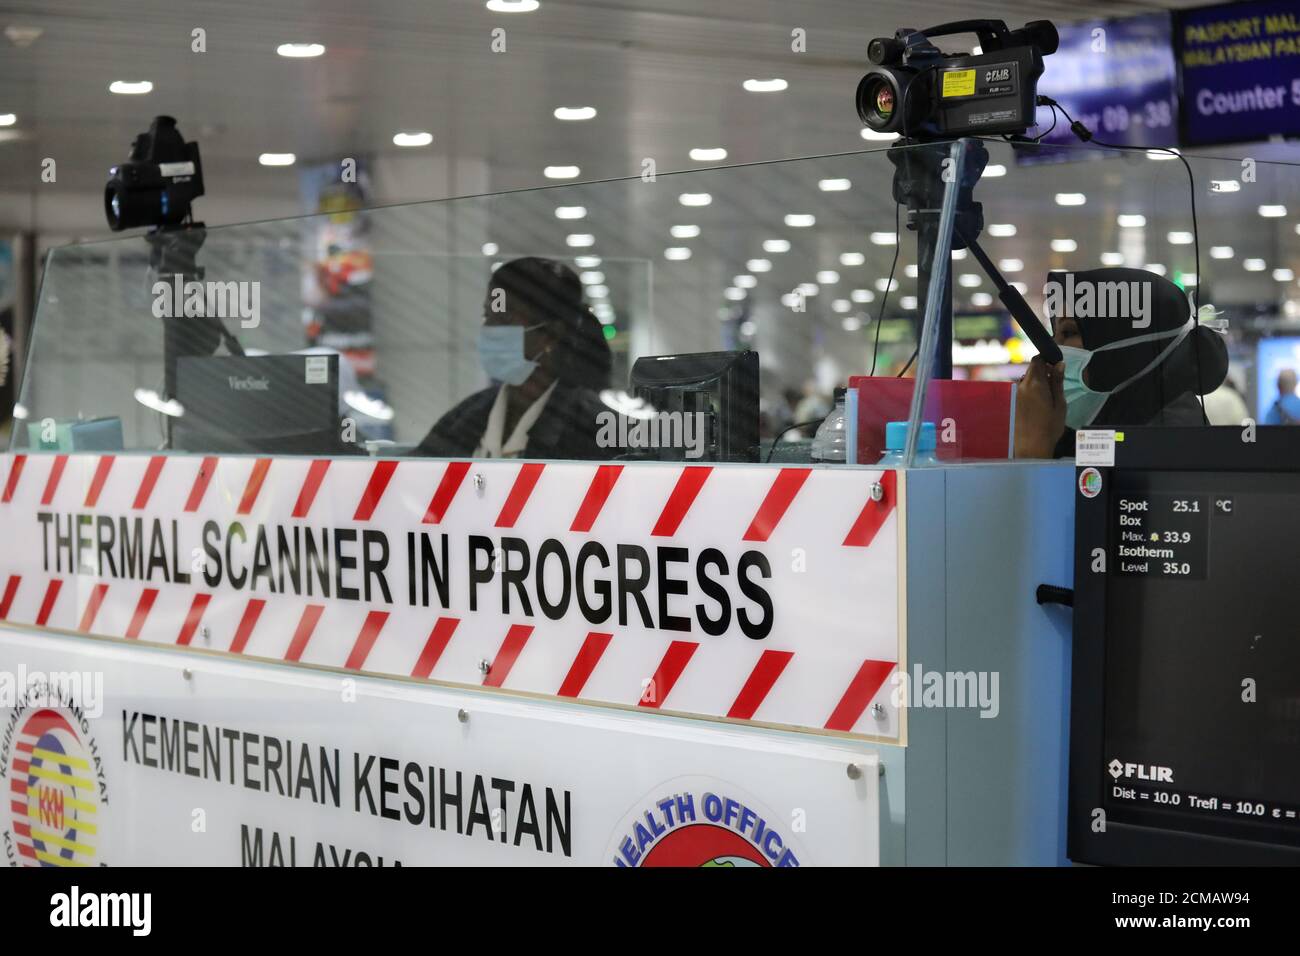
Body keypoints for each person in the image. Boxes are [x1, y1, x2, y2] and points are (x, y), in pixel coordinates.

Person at [412, 257, 614, 460]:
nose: (489, 330)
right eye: (487, 316)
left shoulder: (595, 431)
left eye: (504, 319)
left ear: (550, 335)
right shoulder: (464, 418)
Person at [1015, 268, 1228, 459]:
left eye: (1069, 332)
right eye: (1055, 334)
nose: (1053, 350)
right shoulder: (1110, 425)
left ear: (1128, 354)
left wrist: (1032, 448)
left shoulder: (1169, 444)